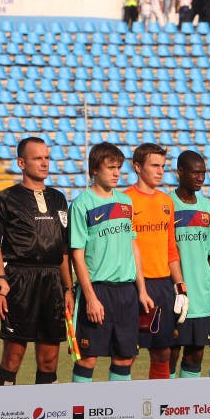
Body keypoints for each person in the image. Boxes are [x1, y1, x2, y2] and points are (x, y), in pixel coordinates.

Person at [0, 137, 74, 387]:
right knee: (12, 358)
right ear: (21, 163)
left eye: (46, 157)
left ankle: (46, 411)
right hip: (19, 280)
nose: (44, 163)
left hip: (52, 282)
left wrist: (68, 288)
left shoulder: (58, 198)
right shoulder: (5, 199)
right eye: (38, 158)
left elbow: (64, 249)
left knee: (49, 361)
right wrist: (0, 281)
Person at [69, 142, 153, 382]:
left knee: (125, 358)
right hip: (98, 290)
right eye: (110, 168)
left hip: (126, 291)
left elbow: (133, 245)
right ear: (95, 169)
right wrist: (91, 298)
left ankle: (119, 407)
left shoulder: (126, 202)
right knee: (87, 359)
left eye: (118, 168)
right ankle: (79, 407)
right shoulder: (82, 204)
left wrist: (142, 290)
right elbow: (77, 255)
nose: (116, 173)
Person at [124, 143, 188, 380]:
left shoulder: (166, 202)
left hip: (162, 285)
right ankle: (119, 402)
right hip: (133, 285)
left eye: (162, 166)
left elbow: (171, 249)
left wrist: (180, 287)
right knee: (127, 354)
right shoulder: (125, 200)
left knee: (163, 352)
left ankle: (159, 401)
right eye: (154, 165)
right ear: (138, 167)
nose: (160, 171)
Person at [168, 151, 210, 379]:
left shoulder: (207, 208)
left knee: (196, 355)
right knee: (170, 353)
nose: (200, 177)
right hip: (174, 294)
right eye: (195, 172)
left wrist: (202, 279)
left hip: (202, 297)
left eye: (203, 173)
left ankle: (186, 401)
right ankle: (164, 399)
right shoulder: (167, 204)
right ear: (180, 172)